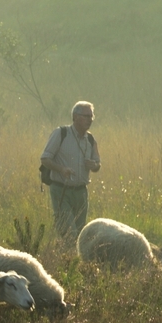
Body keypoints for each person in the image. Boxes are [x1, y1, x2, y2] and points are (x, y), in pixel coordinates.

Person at [40, 101, 100, 244]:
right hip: (61, 190)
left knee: (80, 236)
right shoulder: (61, 133)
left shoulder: (90, 139)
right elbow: (45, 158)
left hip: (81, 193)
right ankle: (64, 255)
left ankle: (68, 256)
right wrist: (61, 169)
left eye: (91, 116)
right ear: (75, 117)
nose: (90, 120)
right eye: (86, 116)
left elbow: (98, 165)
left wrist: (94, 165)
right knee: (69, 233)